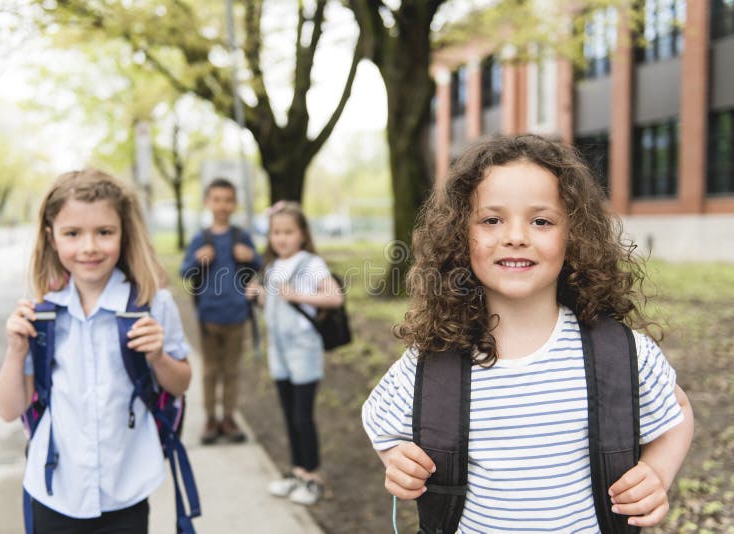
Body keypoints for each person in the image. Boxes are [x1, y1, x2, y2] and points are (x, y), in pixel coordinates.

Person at [362, 135, 694, 533]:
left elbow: (678, 413)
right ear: (459, 236)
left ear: (573, 235)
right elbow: (379, 421)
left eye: (541, 221)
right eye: (491, 220)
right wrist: (398, 459)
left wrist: (657, 472)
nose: (516, 236)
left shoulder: (619, 353)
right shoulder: (433, 360)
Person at [0, 169, 192, 532]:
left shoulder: (154, 305)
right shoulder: (41, 313)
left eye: (104, 232)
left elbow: (180, 383)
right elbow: (9, 410)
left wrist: (158, 357)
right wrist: (15, 352)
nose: (89, 247)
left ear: (123, 234)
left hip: (126, 489)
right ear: (52, 237)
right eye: (73, 233)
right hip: (54, 491)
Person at [245, 201, 343, 506]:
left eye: (288, 232)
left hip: (303, 348)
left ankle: (312, 477)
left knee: (303, 415)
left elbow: (334, 297)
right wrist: (259, 296)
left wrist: (298, 294)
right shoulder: (272, 267)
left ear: (302, 234)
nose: (281, 238)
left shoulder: (310, 263)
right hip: (279, 349)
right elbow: (272, 306)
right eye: (276, 232)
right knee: (288, 414)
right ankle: (297, 471)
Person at [180, 178, 261, 444]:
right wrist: (196, 260)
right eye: (217, 199)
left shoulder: (242, 237)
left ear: (235, 204)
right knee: (210, 370)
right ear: (207, 202)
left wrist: (249, 257)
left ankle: (228, 417)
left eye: (228, 200)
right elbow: (185, 272)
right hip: (208, 316)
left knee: (232, 371)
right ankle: (210, 419)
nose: (222, 205)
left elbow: (258, 264)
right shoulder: (200, 239)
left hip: (237, 315)